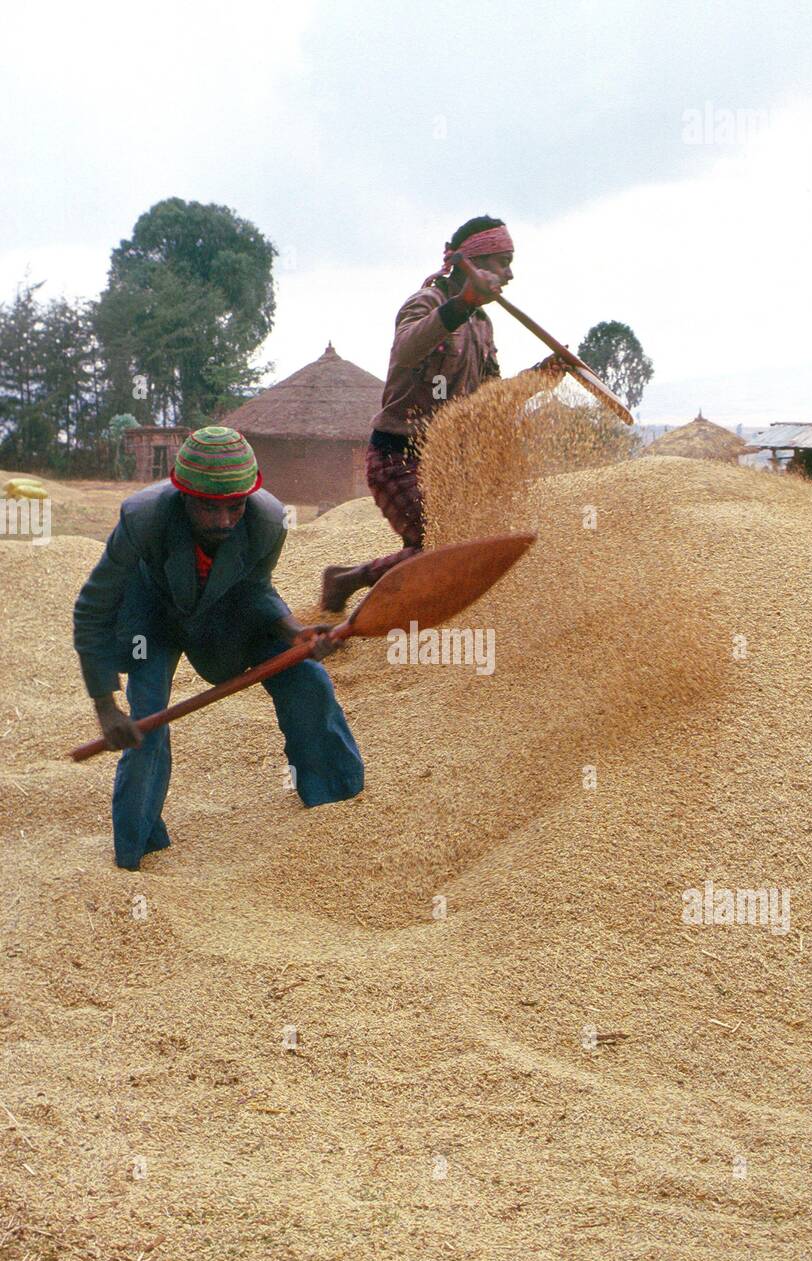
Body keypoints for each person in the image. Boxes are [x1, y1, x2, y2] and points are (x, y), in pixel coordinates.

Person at [73, 425, 364, 870]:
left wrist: (293, 632)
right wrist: (105, 707)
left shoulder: (266, 521)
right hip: (150, 615)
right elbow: (92, 609)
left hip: (224, 606)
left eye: (235, 507)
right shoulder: (142, 519)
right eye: (211, 509)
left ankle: (334, 796)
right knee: (145, 721)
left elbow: (255, 588)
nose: (226, 521)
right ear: (184, 496)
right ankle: (136, 849)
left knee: (307, 677)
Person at [320, 214, 566, 611]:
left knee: (463, 546)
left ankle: (386, 594)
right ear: (476, 263)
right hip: (398, 456)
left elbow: (489, 400)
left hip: (448, 463)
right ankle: (345, 580)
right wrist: (465, 302)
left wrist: (540, 378)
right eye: (503, 262)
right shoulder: (427, 303)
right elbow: (407, 351)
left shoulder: (483, 325)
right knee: (435, 548)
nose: (510, 274)